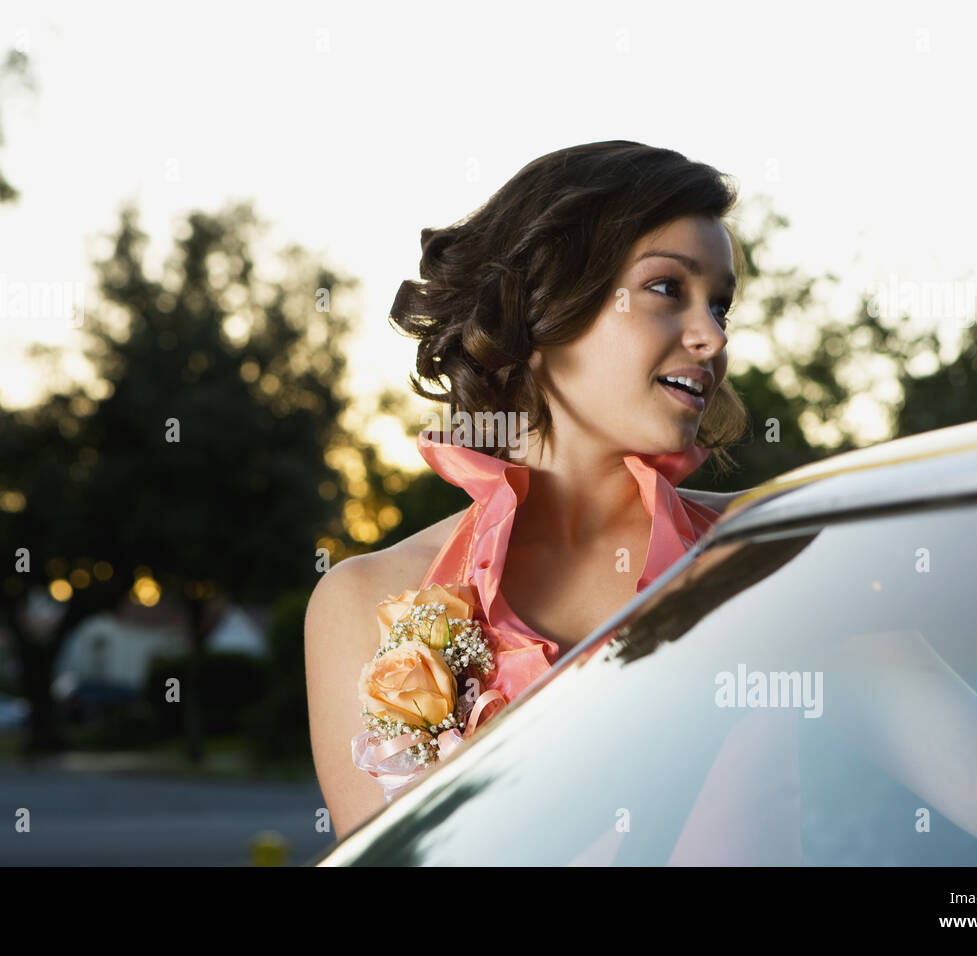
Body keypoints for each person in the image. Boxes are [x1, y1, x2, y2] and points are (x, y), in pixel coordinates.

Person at [306, 141, 752, 838]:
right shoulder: (361, 599)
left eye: (721, 308)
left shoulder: (768, 547)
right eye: (669, 288)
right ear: (546, 300)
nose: (711, 338)